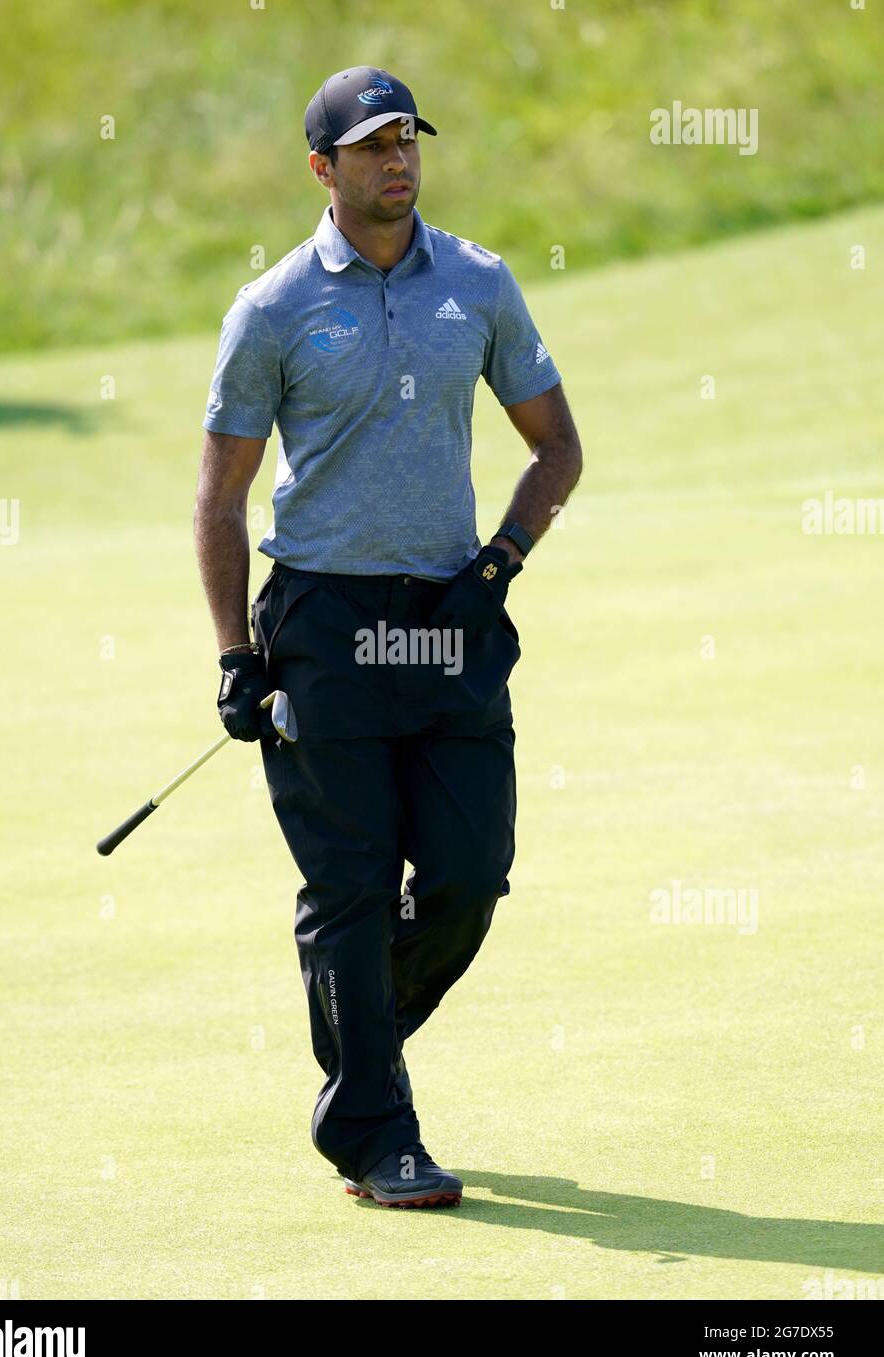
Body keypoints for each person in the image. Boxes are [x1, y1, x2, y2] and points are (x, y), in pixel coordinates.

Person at [194, 66, 583, 1208]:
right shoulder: (270, 308)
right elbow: (220, 499)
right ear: (322, 169)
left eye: (405, 138)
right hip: (321, 621)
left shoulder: (477, 281)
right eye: (368, 146)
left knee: (467, 875)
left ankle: (356, 1041)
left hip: (448, 621)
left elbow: (554, 447)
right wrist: (233, 655)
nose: (395, 159)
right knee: (352, 886)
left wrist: (497, 565)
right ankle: (374, 1130)